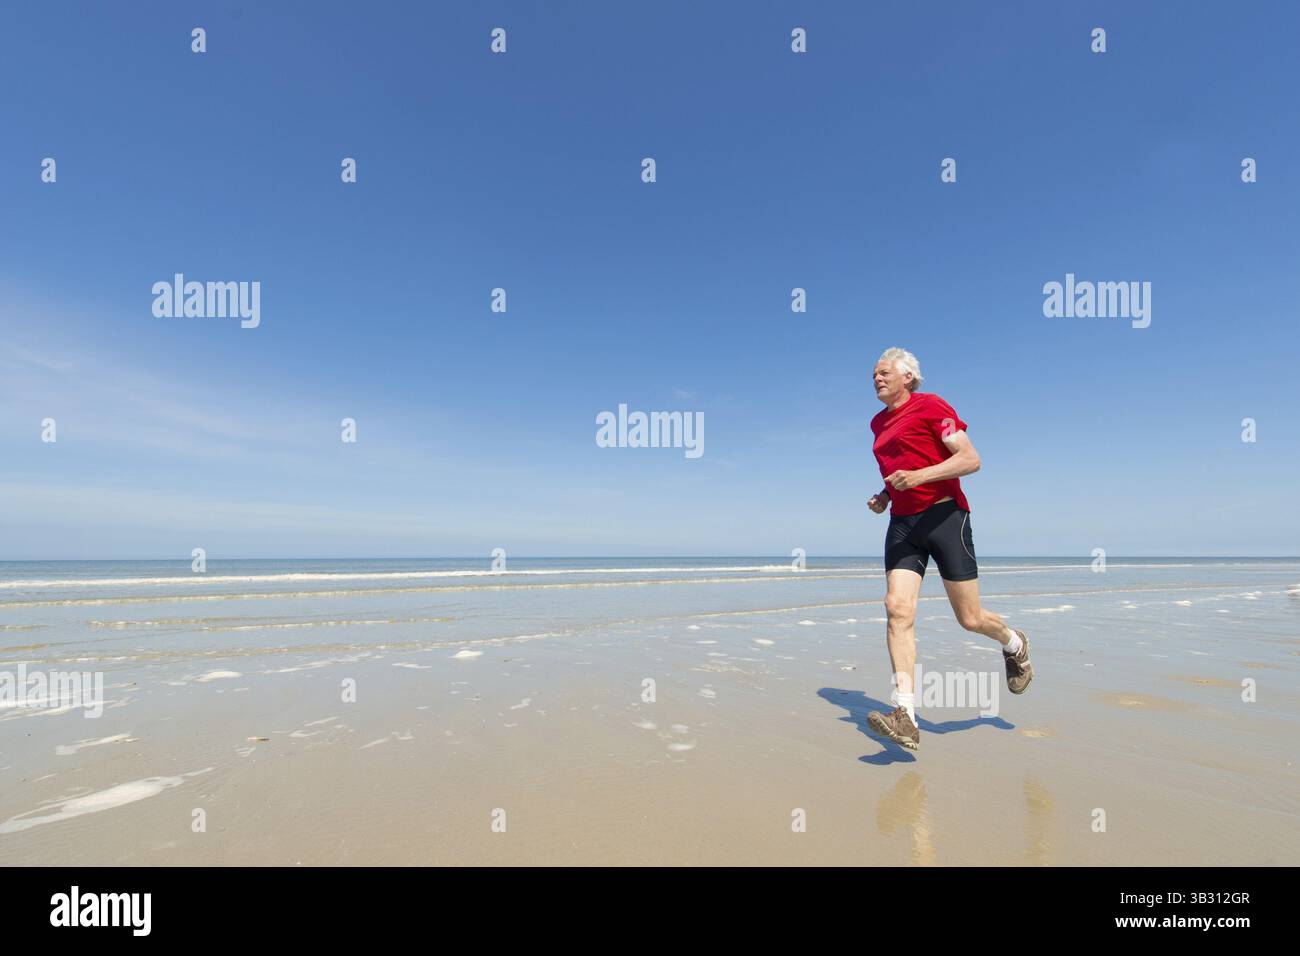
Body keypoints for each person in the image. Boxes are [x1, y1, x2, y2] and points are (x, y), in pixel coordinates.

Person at [864, 347, 1033, 752]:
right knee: (896, 609)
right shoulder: (876, 423)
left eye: (884, 372)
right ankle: (905, 714)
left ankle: (1014, 643)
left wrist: (919, 477)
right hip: (903, 525)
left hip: (944, 519)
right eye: (874, 374)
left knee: (970, 619)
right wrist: (886, 494)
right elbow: (901, 467)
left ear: (908, 377)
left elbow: (971, 460)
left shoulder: (931, 406)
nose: (877, 378)